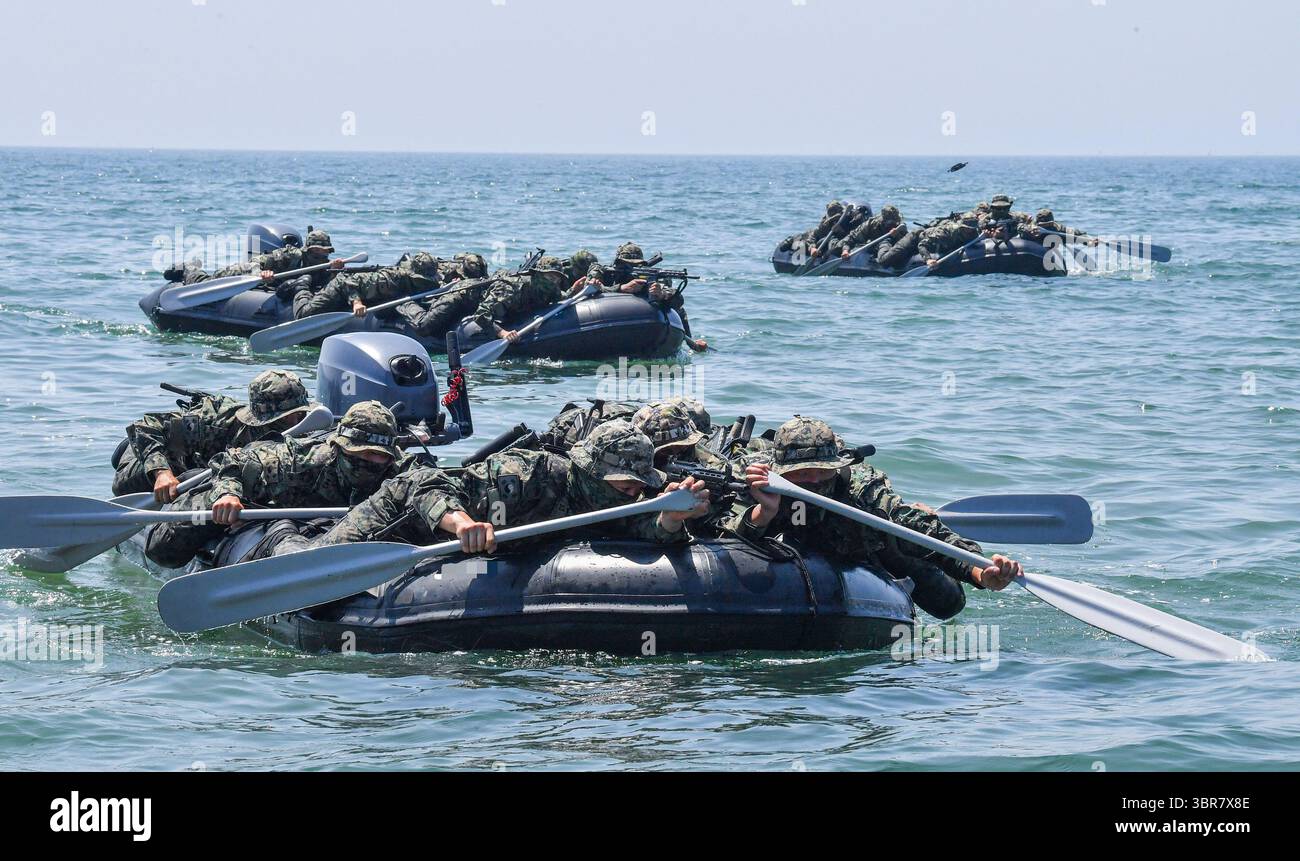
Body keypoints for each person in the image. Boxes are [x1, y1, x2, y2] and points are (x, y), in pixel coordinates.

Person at [266, 419, 712, 557]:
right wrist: (462, 524)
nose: (634, 493)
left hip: (466, 551)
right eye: (626, 484)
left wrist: (671, 519)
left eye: (639, 487)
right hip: (403, 516)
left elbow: (641, 529)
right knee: (314, 560)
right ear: (591, 472)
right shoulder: (525, 475)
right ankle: (279, 535)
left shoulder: (620, 500)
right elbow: (426, 482)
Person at [725, 416, 1024, 620]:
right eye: (803, 472)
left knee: (948, 603)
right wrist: (764, 512)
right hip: (787, 551)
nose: (814, 479)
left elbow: (919, 528)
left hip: (866, 547)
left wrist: (980, 570)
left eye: (822, 470)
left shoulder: (862, 489)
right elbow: (724, 531)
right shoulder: (758, 482)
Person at [143, 401, 410, 568]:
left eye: (381, 455)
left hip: (315, 520)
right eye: (364, 453)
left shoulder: (397, 470)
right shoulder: (298, 461)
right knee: (164, 550)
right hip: (252, 500)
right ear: (341, 448)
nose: (374, 461)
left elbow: (423, 482)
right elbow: (231, 461)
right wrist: (228, 494)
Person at [113, 370, 315, 502]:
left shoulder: (306, 428)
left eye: (301, 413)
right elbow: (144, 427)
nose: (298, 420)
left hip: (218, 478)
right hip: (170, 461)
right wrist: (161, 472)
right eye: (288, 416)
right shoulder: (217, 422)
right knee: (123, 486)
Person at [598, 243, 707, 353]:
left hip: (644, 329)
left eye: (637, 265)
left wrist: (661, 294)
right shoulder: (608, 275)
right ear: (617, 263)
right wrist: (621, 288)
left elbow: (678, 300)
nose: (632, 268)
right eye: (626, 264)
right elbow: (593, 290)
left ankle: (691, 343)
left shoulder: (648, 277)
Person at [291, 251, 440, 320]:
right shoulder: (388, 280)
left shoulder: (427, 281)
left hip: (367, 294)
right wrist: (356, 303)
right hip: (342, 287)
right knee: (304, 315)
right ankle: (301, 286)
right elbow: (350, 281)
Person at [180, 228, 343, 285]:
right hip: (246, 270)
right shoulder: (290, 256)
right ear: (307, 250)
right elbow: (257, 262)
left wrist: (335, 272)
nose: (322, 255)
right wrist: (261, 273)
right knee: (207, 282)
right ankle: (189, 268)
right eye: (317, 251)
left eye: (325, 252)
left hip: (274, 283)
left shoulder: (325, 266)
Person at [470, 256, 569, 342]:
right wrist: (502, 333)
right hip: (476, 301)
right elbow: (482, 313)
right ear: (538, 274)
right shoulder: (513, 288)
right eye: (551, 276)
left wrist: (573, 290)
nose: (554, 281)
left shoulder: (550, 287)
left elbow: (561, 297)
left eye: (557, 279)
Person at [831, 204, 905, 259]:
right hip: (871, 246)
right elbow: (852, 238)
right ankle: (833, 238)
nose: (892, 225)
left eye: (894, 222)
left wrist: (897, 235)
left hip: (886, 250)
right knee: (836, 248)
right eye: (889, 222)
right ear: (883, 221)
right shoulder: (871, 224)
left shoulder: (900, 227)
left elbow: (905, 243)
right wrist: (845, 250)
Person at [1018, 209, 1095, 244]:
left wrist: (1089, 240)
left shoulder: (1057, 228)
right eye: (1041, 224)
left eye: (1046, 224)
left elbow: (1077, 233)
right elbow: (1019, 228)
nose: (1043, 226)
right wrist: (1027, 228)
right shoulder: (1030, 226)